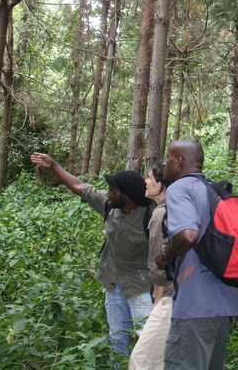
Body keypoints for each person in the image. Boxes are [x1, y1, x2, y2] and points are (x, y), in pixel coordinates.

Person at [30, 152, 153, 360]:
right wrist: (54, 165)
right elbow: (81, 188)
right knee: (116, 337)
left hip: (140, 287)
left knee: (146, 340)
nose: (107, 194)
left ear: (126, 196)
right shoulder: (110, 208)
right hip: (113, 284)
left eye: (112, 191)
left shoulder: (152, 218)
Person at [155, 140, 238, 370]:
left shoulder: (179, 189)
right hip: (225, 304)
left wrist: (165, 255)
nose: (165, 162)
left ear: (179, 162)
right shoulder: (213, 190)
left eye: (169, 157)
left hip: (195, 305)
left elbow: (188, 235)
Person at [129, 163, 173, 370]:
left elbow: (158, 268)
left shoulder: (159, 215)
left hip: (169, 298)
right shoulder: (180, 207)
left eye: (149, 178)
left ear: (160, 185)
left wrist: (157, 304)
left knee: (141, 361)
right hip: (187, 296)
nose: (145, 182)